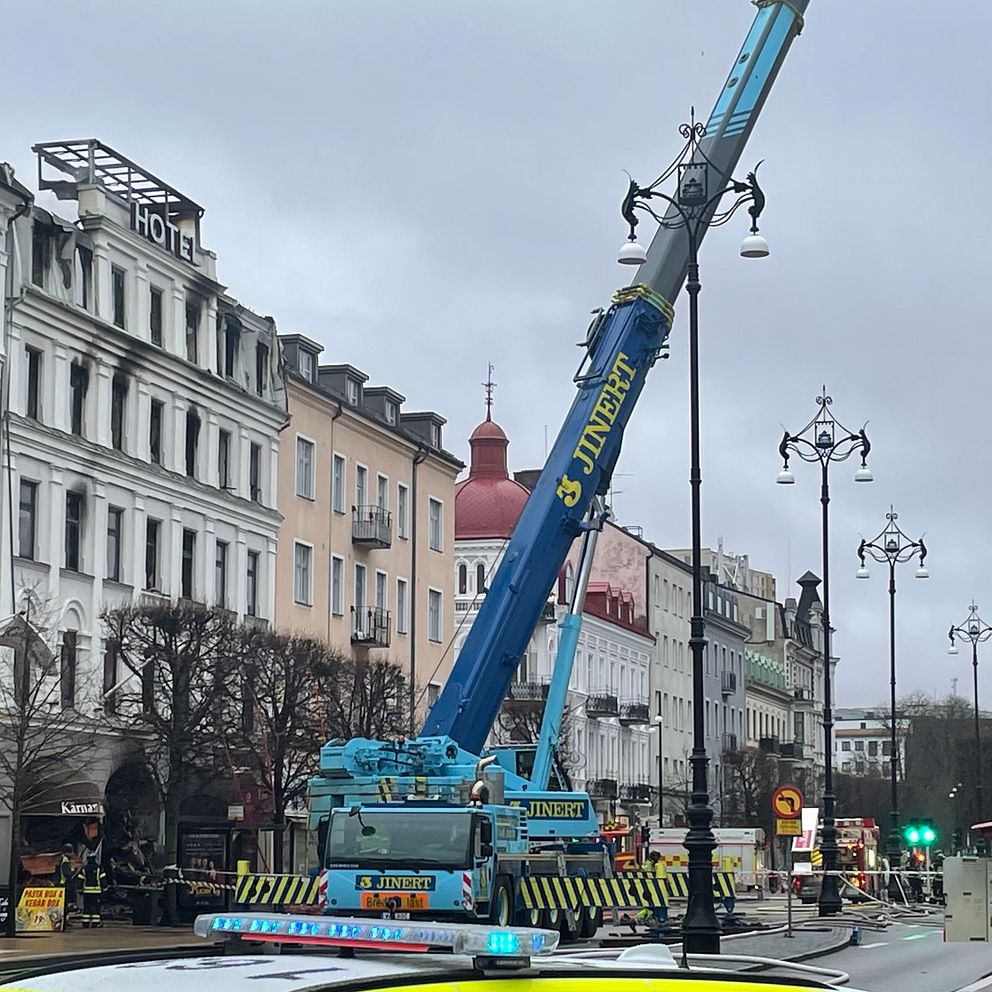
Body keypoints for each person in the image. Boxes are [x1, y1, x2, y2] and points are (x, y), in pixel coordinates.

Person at [53, 844, 77, 928]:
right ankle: (64, 922)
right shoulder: (65, 860)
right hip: (64, 885)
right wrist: (74, 871)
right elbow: (67, 874)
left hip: (59, 885)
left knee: (62, 905)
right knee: (64, 905)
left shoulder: (60, 859)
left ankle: (62, 921)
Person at [81, 852, 106, 928]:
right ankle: (95, 923)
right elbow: (102, 879)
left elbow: (81, 879)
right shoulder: (98, 868)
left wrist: (79, 888)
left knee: (86, 907)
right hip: (96, 891)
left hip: (86, 891)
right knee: (95, 907)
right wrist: (104, 888)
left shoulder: (84, 868)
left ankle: (85, 923)